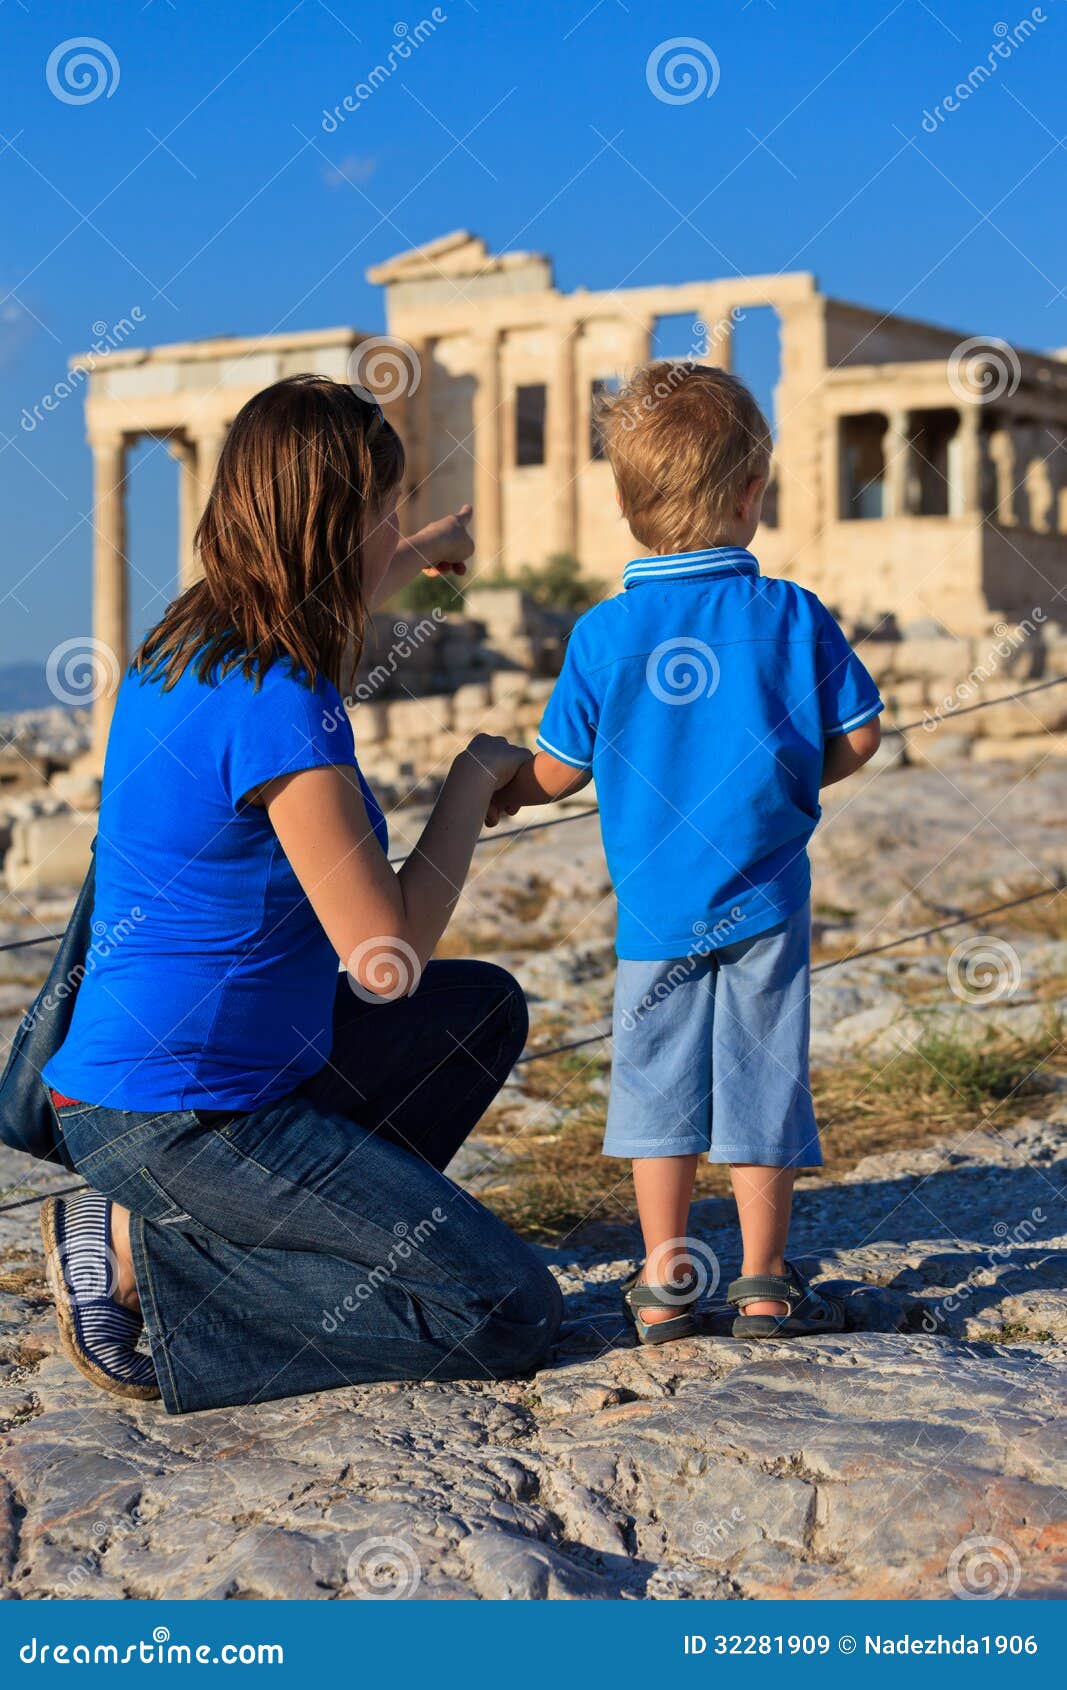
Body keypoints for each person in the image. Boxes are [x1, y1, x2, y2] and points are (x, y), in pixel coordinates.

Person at [39, 375, 562, 1413]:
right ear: (336, 525)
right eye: (387, 509)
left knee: (480, 1011)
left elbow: (339, 583)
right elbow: (386, 954)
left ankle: (320, 1229)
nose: (398, 528)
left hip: (177, 1077)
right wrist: (468, 782)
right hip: (178, 1113)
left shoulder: (188, 641)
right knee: (505, 1310)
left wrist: (421, 557)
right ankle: (150, 1259)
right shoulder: (282, 706)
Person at [489, 362, 883, 1343]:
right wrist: (790, 782)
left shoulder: (604, 632)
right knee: (761, 1080)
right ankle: (758, 1282)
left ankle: (663, 1281)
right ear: (752, 492)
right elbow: (862, 735)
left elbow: (557, 770)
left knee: (655, 1083)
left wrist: (495, 790)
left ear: (624, 505)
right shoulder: (790, 614)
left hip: (655, 911)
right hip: (765, 898)